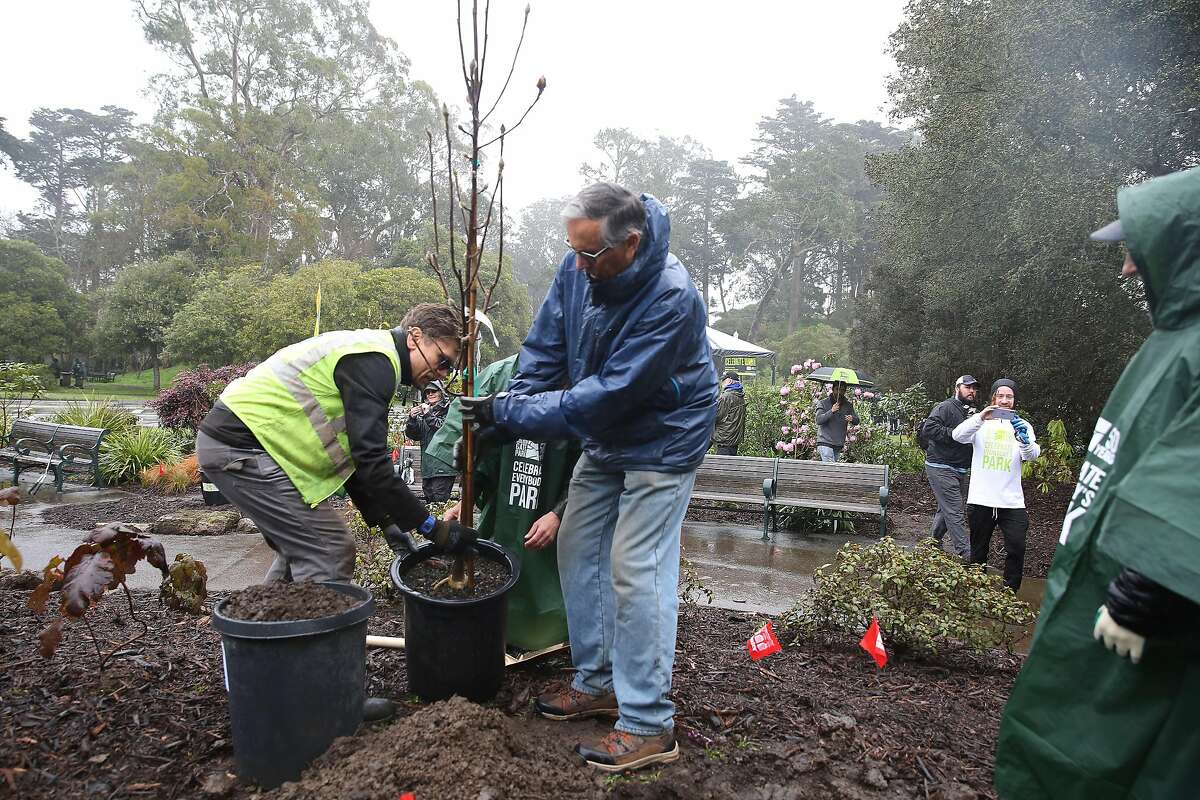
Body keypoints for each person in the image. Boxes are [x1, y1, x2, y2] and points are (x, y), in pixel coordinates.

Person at [458, 182, 716, 772]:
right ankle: (599, 681)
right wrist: (513, 405)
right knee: (577, 544)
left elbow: (611, 394)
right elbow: (544, 350)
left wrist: (509, 413)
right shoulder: (581, 269)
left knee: (636, 564)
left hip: (663, 436)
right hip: (607, 433)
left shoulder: (671, 297)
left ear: (630, 242)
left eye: (589, 255)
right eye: (572, 251)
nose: (577, 265)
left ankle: (650, 723)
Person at [995, 167, 1200, 798]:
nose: (1127, 270)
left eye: (1137, 253)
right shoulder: (1173, 339)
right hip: (1103, 592)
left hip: (1158, 617)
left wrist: (1154, 579)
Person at [426, 354, 579, 652]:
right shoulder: (512, 404)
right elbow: (488, 462)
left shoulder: (574, 406)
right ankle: (499, 632)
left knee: (549, 585)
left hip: (550, 518)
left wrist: (558, 514)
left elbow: (585, 472)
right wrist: (465, 502)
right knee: (500, 569)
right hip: (507, 515)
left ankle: (552, 638)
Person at [951, 379, 1038, 590]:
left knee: (1016, 547)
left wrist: (1024, 440)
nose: (1005, 400)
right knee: (979, 549)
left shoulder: (1022, 424)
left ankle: (1009, 592)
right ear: (993, 398)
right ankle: (977, 591)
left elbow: (1032, 455)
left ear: (1014, 400)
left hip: (1011, 502)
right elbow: (957, 436)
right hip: (981, 499)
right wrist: (981, 417)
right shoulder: (979, 422)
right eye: (1001, 396)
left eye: (1009, 397)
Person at [922, 375, 980, 559]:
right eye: (967, 387)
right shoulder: (945, 407)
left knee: (946, 507)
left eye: (974, 388)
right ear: (957, 388)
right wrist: (954, 434)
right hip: (940, 465)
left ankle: (933, 542)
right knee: (955, 510)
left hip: (960, 468)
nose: (972, 391)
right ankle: (967, 555)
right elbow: (929, 428)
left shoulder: (972, 411)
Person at [405, 382, 456, 503]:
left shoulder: (450, 409)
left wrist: (428, 414)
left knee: (439, 503)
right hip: (428, 468)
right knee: (430, 505)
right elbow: (414, 435)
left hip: (443, 467)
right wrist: (412, 419)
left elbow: (443, 430)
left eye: (434, 391)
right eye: (427, 392)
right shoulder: (424, 412)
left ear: (441, 393)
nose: (430, 394)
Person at [813, 380, 859, 462]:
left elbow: (857, 420)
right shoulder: (823, 403)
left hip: (838, 444)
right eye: (837, 389)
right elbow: (819, 420)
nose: (840, 392)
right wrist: (832, 411)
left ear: (845, 391)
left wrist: (852, 419)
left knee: (830, 471)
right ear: (833, 389)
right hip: (825, 442)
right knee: (831, 470)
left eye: (842, 390)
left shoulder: (848, 405)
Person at [712, 371, 746, 455]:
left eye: (724, 380)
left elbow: (715, 416)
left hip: (725, 440)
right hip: (733, 439)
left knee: (722, 466)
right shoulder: (740, 395)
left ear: (730, 381)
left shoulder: (726, 397)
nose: (722, 382)